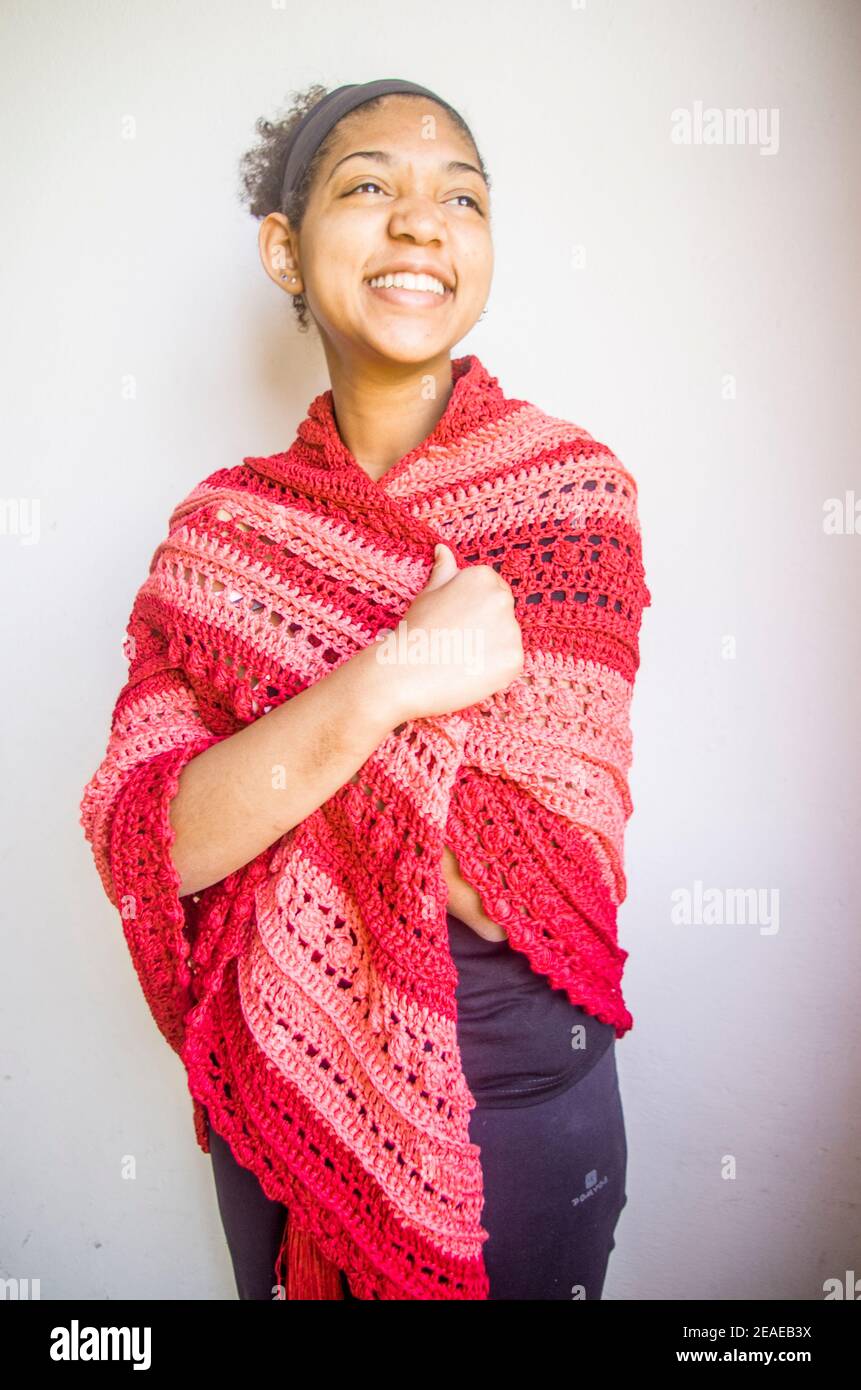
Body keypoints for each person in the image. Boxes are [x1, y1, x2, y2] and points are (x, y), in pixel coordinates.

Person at [80, 78, 650, 1301]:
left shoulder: (570, 500)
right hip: (282, 1075)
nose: (420, 225)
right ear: (285, 246)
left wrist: (273, 763)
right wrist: (396, 674)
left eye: (461, 198)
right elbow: (158, 839)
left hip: (512, 1094)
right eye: (367, 188)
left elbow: (531, 878)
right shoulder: (221, 537)